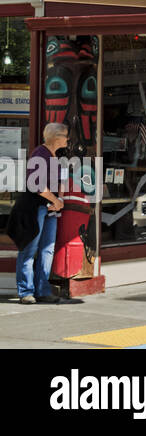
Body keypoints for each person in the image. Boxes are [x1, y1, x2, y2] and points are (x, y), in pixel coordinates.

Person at [8, 123, 69, 305]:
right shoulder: (39, 154)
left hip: (50, 208)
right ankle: (26, 292)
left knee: (47, 249)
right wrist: (56, 201)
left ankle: (42, 290)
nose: (68, 139)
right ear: (56, 137)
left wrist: (59, 201)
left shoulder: (55, 156)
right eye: (66, 135)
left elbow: (60, 180)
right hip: (35, 208)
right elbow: (36, 185)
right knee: (29, 249)